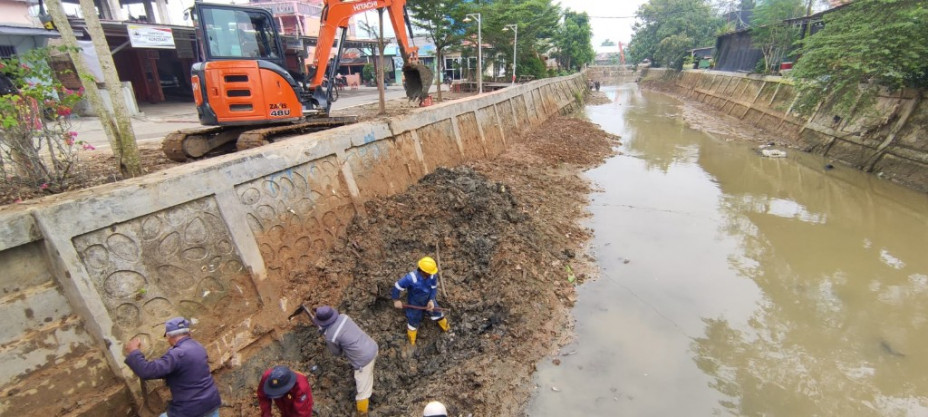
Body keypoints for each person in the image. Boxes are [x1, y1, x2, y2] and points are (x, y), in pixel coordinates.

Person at [124, 317, 221, 417]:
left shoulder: (177, 354)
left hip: (191, 409)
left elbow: (147, 371)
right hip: (211, 402)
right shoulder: (198, 346)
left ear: (169, 336)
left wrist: (134, 352)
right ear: (188, 333)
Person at [313, 306, 378, 416]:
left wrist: (327, 334)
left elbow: (336, 352)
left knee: (362, 393)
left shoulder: (331, 336)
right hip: (372, 346)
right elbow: (342, 330)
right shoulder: (344, 317)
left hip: (363, 360)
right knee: (368, 373)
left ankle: (362, 413)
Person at [391, 256, 449, 345]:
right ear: (423, 271)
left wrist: (431, 300)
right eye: (429, 273)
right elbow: (397, 286)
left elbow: (433, 288)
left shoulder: (432, 275)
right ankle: (412, 342)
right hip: (415, 303)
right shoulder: (411, 278)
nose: (431, 274)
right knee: (413, 321)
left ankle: (447, 329)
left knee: (438, 313)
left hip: (428, 300)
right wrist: (396, 300)